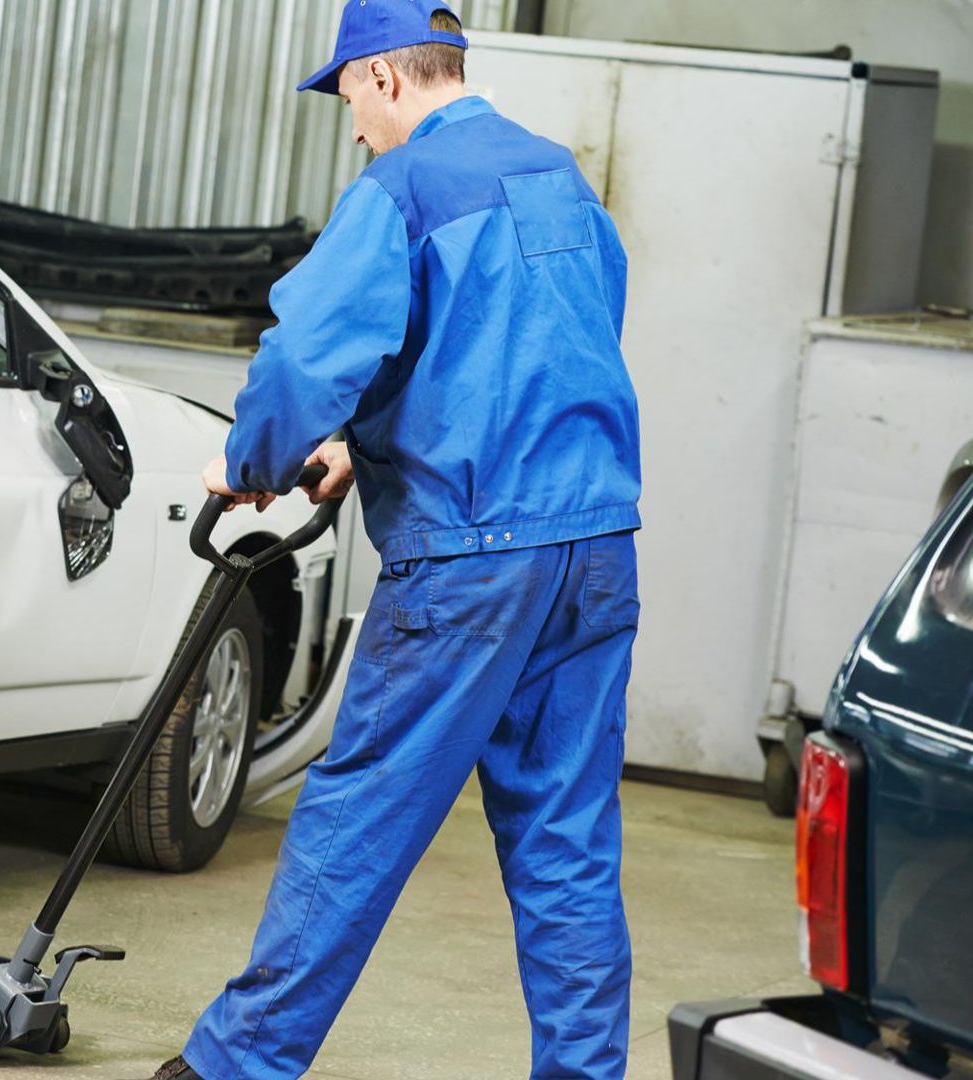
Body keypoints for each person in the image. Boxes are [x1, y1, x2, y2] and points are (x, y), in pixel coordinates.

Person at [155, 2, 642, 1078]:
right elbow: (544, 345)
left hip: (472, 560)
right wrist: (365, 444)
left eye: (348, 103)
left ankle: (236, 1066)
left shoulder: (404, 187)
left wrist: (253, 461)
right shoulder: (556, 174)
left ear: (381, 79)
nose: (355, 129)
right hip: (595, 545)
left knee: (357, 820)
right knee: (565, 840)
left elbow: (306, 357)